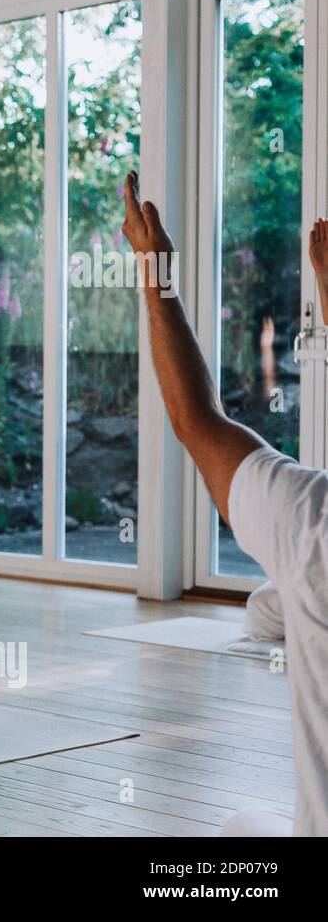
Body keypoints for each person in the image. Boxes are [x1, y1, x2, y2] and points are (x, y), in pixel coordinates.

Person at [121, 172, 325, 836]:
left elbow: (193, 419)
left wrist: (157, 277)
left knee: (241, 828)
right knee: (274, 605)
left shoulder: (311, 523)